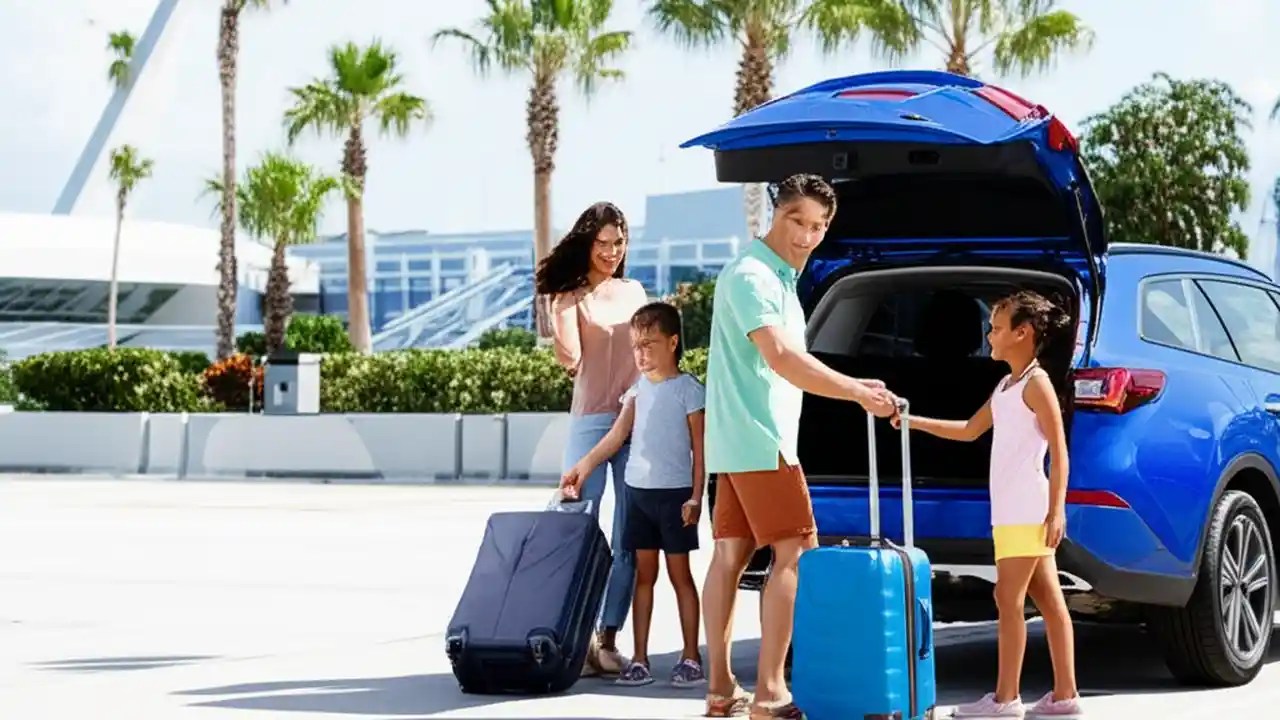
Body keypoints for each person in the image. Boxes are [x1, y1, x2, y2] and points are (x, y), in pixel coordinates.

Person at [700, 174, 898, 719]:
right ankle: (770, 692)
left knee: (731, 555)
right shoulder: (753, 276)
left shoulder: (779, 277)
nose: (808, 236)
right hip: (762, 439)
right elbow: (782, 359)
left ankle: (721, 690)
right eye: (797, 221)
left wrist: (858, 388)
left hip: (741, 439)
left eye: (818, 226)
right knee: (796, 552)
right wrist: (857, 391)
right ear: (775, 214)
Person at [891, 289, 1081, 718]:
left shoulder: (1037, 384)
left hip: (1026, 510)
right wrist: (910, 421)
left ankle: (1005, 699)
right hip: (1012, 509)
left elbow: (1060, 450)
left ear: (1023, 333)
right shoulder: (1006, 384)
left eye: (997, 328)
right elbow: (969, 430)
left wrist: (1057, 510)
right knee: (1049, 601)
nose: (989, 335)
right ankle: (1065, 697)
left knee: (1006, 597)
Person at [560, 301, 708, 688]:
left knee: (680, 578)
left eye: (649, 344)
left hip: (675, 499)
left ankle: (691, 657)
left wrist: (696, 497)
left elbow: (700, 451)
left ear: (673, 342)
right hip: (639, 496)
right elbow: (615, 437)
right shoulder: (636, 392)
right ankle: (639, 659)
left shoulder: (689, 391)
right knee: (645, 577)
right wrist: (584, 466)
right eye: (636, 346)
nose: (641, 354)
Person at [537, 201, 648, 677]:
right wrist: (559, 304)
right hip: (591, 421)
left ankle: (606, 639)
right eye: (602, 243)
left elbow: (651, 354)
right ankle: (568, 632)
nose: (610, 251)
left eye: (618, 243)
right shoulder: (571, 295)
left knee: (628, 535)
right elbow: (569, 358)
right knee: (576, 520)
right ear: (587, 242)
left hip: (638, 419)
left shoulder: (635, 291)